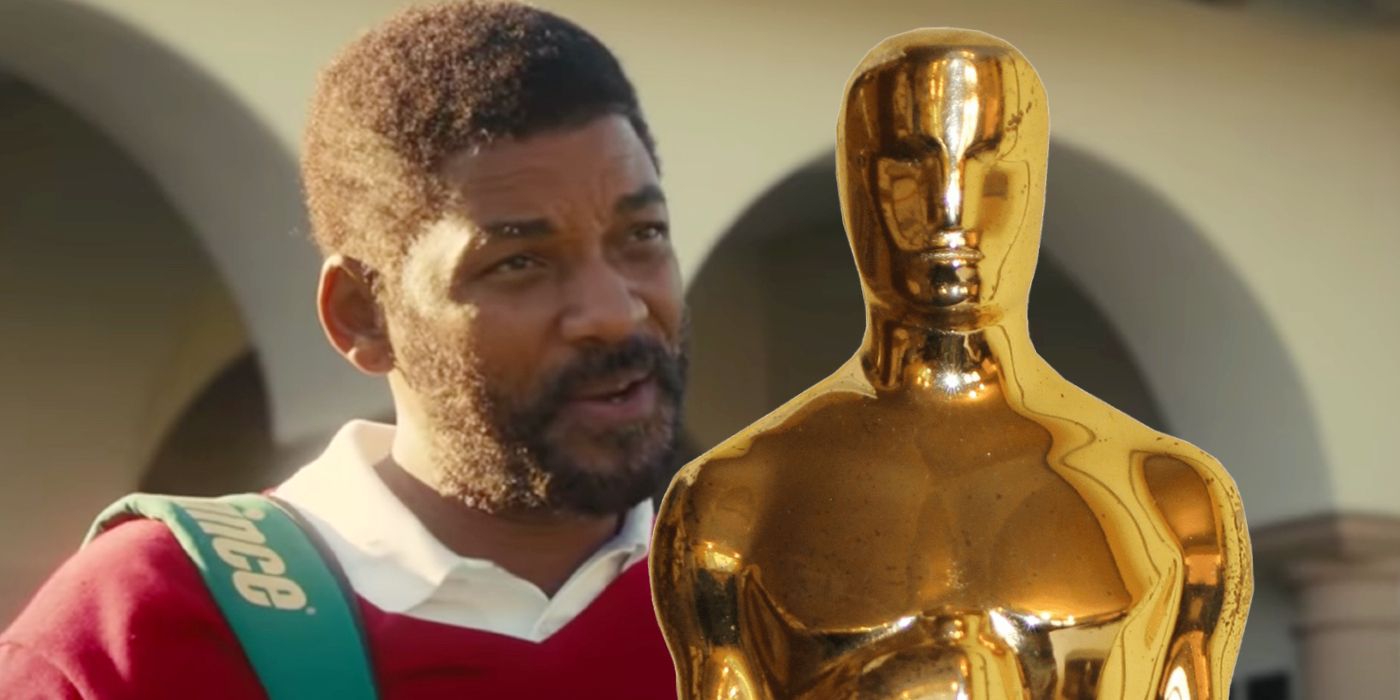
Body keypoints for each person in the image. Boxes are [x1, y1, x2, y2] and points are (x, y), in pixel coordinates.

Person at [0, 2, 686, 697]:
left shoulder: (747, 607)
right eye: (518, 263)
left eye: (644, 235)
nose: (614, 314)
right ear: (362, 315)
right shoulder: (140, 628)